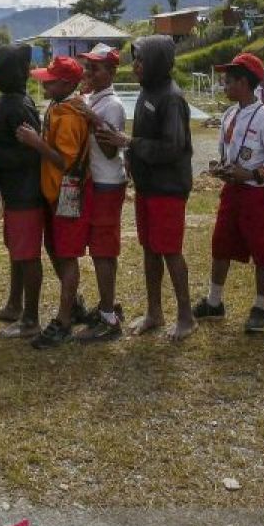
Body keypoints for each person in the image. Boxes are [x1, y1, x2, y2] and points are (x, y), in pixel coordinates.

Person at [96, 35, 196, 341]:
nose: (136, 66)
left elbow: (173, 147)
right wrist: (130, 155)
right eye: (135, 60)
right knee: (150, 249)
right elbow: (140, 138)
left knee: (170, 250)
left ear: (156, 62)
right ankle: (155, 311)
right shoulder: (147, 92)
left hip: (168, 188)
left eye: (141, 60)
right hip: (148, 186)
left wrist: (130, 144)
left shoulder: (171, 97)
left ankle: (186, 315)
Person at [194, 53, 264, 333]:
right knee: (220, 243)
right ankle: (214, 302)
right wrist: (221, 169)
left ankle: (261, 307)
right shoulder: (229, 115)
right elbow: (228, 155)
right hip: (232, 192)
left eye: (229, 82)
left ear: (245, 84)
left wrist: (248, 174)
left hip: (257, 196)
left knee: (262, 248)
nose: (224, 86)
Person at [16, 56, 90, 349]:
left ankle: (64, 319)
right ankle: (73, 305)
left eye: (51, 79)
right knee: (56, 248)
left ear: (67, 84)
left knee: (67, 253)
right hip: (55, 192)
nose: (44, 82)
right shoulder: (60, 107)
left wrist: (36, 143)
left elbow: (65, 160)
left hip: (67, 192)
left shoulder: (70, 116)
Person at [0, 45, 45, 339]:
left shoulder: (18, 106)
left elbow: (30, 155)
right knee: (17, 251)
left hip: (26, 192)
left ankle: (30, 318)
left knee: (28, 255)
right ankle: (15, 305)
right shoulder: (6, 100)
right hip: (13, 191)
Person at [73, 45, 128, 342]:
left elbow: (109, 150)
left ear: (112, 72)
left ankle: (108, 316)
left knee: (103, 249)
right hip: (98, 182)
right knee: (99, 247)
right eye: (88, 67)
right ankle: (107, 305)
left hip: (107, 182)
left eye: (96, 68)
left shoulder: (113, 105)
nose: (89, 73)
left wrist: (91, 117)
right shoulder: (96, 98)